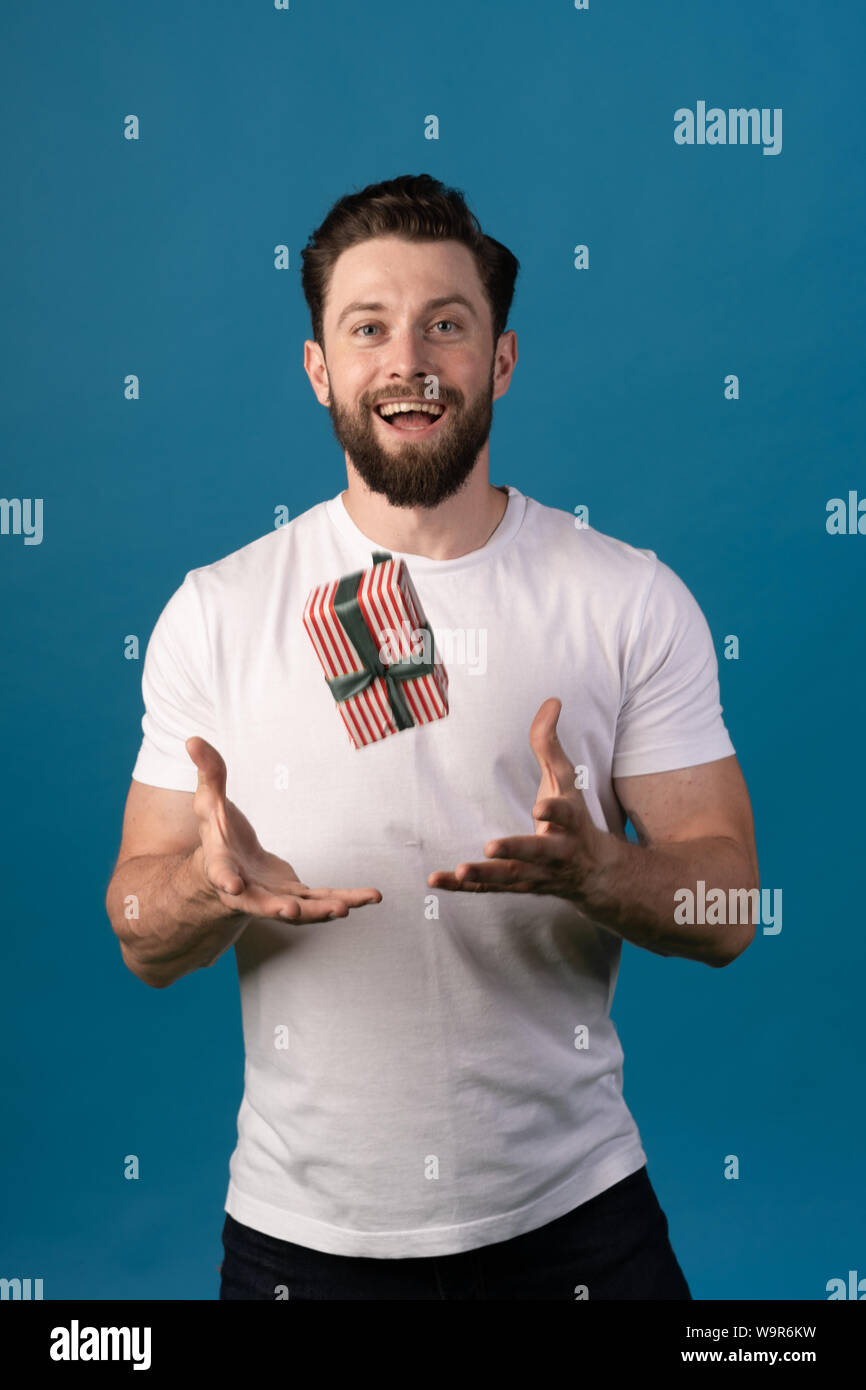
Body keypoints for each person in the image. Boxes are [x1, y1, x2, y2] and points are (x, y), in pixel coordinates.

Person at [104, 173, 759, 1301]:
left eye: (444, 326)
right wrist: (211, 889)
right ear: (319, 369)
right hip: (298, 1240)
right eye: (368, 328)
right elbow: (137, 931)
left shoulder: (627, 598)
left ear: (498, 361)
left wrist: (605, 873)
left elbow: (730, 907)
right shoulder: (215, 612)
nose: (407, 360)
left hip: (574, 1222)